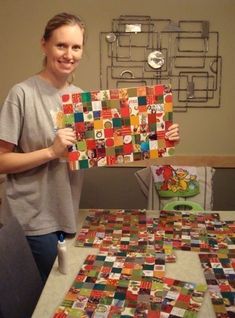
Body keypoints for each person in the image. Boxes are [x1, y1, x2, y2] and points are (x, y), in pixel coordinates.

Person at [0, 12, 180, 284]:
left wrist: (160, 138)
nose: (68, 54)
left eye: (76, 47)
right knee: (44, 296)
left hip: (66, 214)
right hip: (30, 219)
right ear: (44, 45)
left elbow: (113, 146)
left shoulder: (82, 100)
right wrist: (51, 151)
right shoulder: (22, 93)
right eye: (61, 45)